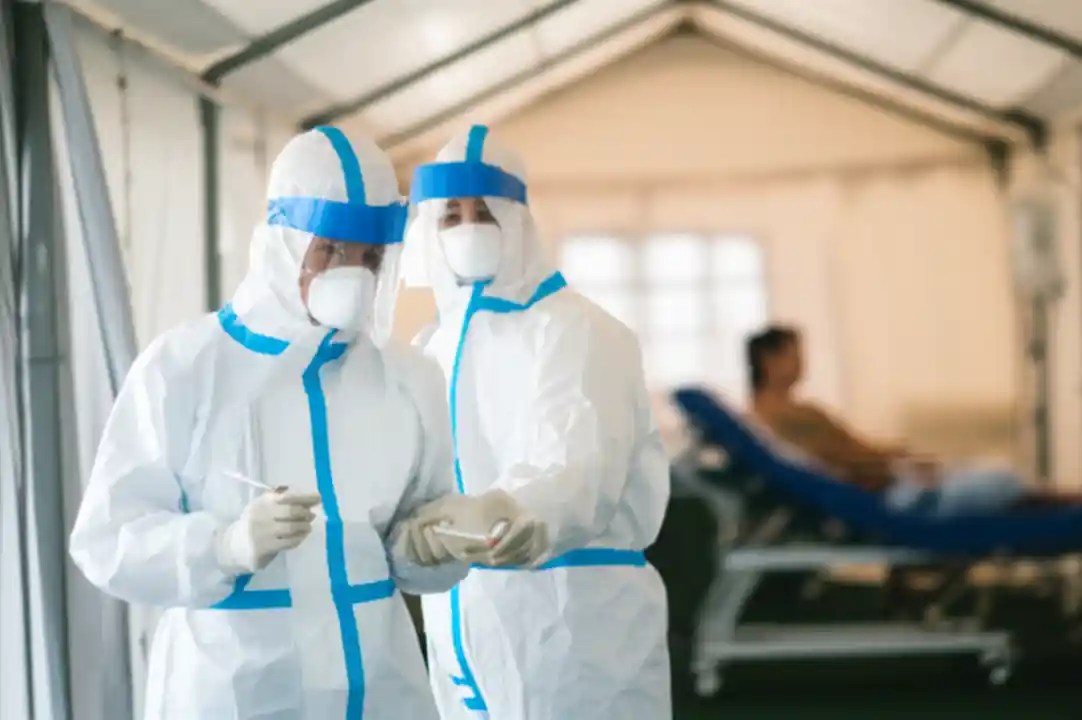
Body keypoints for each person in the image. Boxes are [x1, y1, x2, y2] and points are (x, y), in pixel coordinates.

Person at [69, 127, 468, 719]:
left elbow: (425, 543)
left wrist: (433, 545)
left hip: (383, 694)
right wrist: (224, 546)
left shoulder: (408, 380)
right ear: (285, 241)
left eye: (370, 256)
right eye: (331, 249)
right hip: (237, 699)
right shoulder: (185, 367)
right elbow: (107, 542)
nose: (352, 272)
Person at [399, 125, 672, 720]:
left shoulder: (579, 330)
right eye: (451, 216)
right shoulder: (432, 346)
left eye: (484, 213)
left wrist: (514, 508)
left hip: (576, 624)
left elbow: (579, 469)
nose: (468, 229)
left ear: (518, 219)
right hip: (466, 630)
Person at [747, 325, 1082, 516]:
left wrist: (900, 459)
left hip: (884, 487)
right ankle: (1080, 501)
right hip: (891, 495)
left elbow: (846, 454)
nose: (803, 363)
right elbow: (846, 459)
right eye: (796, 355)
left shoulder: (763, 416)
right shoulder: (792, 415)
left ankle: (1077, 500)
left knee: (985, 481)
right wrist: (905, 465)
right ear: (769, 360)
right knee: (999, 482)